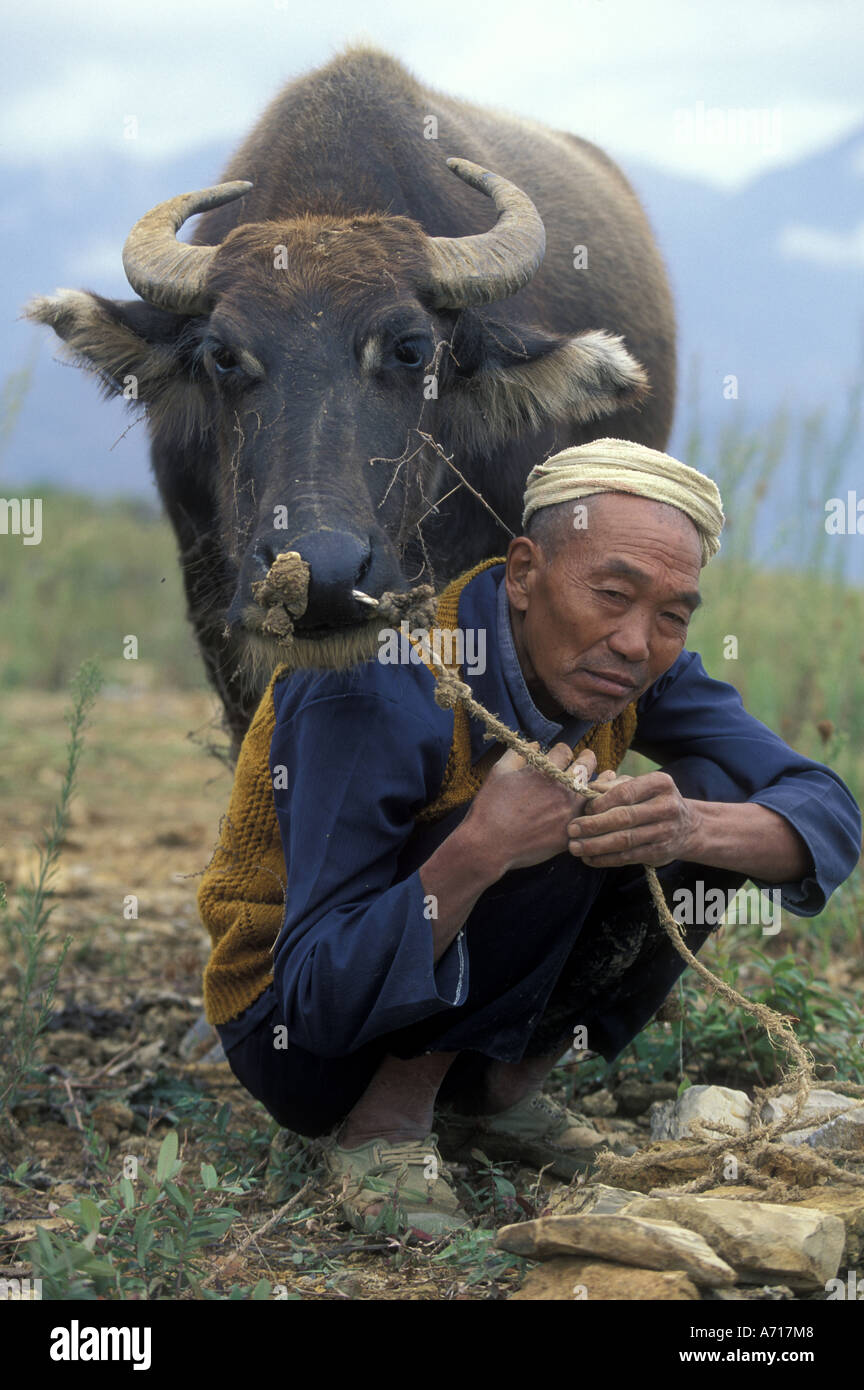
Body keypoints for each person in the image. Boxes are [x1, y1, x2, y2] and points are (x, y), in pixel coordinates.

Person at [197, 438, 861, 1237]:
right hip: (302, 1043)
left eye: (672, 616)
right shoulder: (378, 682)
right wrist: (483, 845)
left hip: (438, 1000)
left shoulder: (639, 671)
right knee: (539, 810)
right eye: (613, 594)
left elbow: (826, 808)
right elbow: (313, 996)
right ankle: (387, 1125)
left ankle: (497, 1094)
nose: (635, 642)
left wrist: (687, 825)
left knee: (702, 803)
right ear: (522, 573)